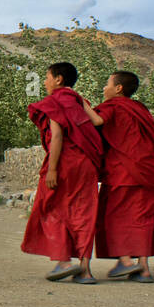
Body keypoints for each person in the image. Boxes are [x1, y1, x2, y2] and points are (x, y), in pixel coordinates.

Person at [81, 71, 154, 281]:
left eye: (107, 83)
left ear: (118, 88)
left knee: (115, 216)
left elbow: (97, 121)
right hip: (148, 172)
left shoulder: (114, 106)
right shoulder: (140, 109)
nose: (104, 88)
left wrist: (81, 103)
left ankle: (125, 261)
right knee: (142, 218)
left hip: (123, 172)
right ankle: (144, 267)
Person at [21, 62, 104, 283]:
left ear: (58, 79)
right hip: (87, 163)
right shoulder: (79, 100)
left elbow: (56, 136)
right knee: (85, 213)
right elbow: (98, 120)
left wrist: (53, 169)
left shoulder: (54, 102)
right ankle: (85, 270)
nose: (45, 81)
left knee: (51, 207)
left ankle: (65, 261)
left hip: (66, 162)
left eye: (47, 77)